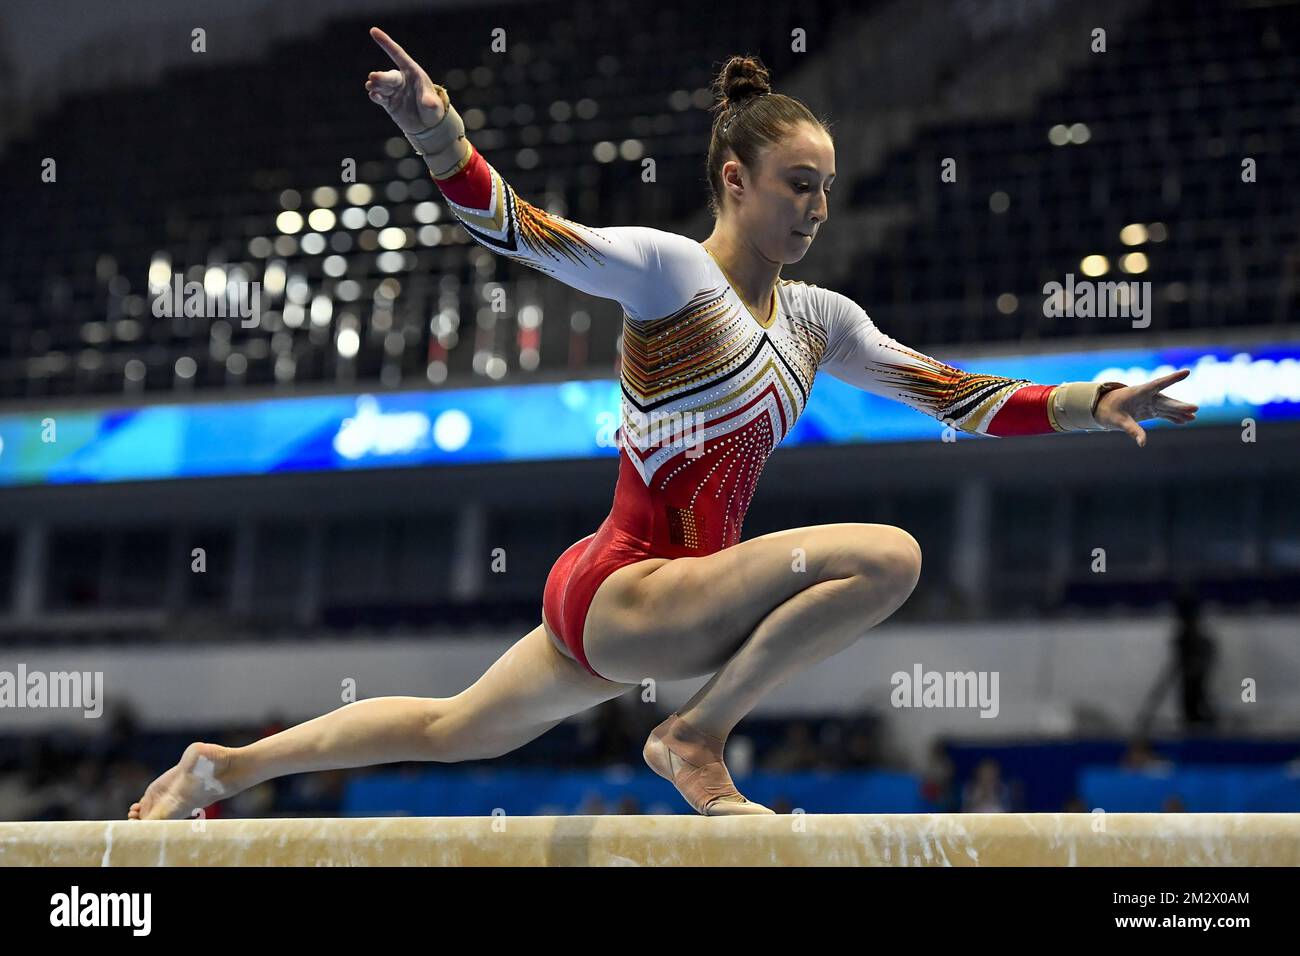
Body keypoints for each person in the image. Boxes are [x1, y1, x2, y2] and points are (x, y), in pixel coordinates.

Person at [129, 28, 1198, 820]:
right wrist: (438, 133)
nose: (816, 209)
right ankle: (693, 736)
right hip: (628, 584)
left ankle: (219, 766)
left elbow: (955, 394)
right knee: (889, 555)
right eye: (796, 185)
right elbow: (521, 232)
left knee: (452, 727)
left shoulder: (823, 319)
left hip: (644, 595)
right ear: (734, 181)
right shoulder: (670, 272)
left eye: (826, 189)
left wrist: (1088, 402)